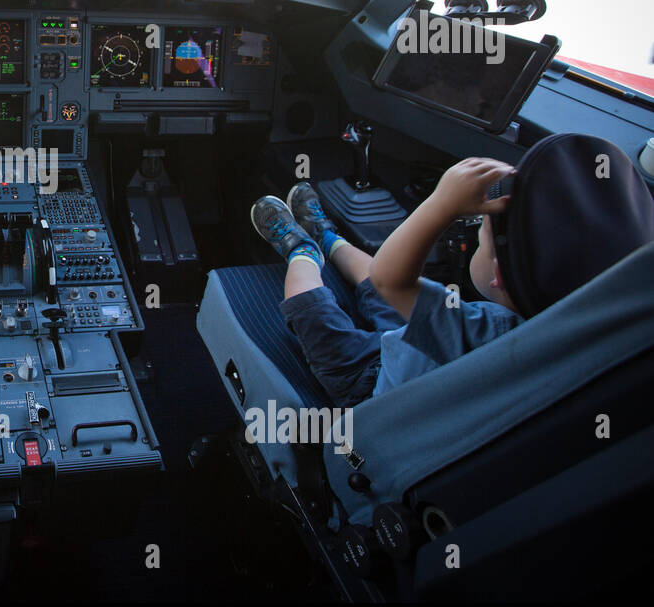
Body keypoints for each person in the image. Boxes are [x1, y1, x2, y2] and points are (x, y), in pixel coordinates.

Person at [250, 134, 654, 407]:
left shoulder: (484, 330)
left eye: (482, 234)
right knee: (374, 283)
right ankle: (326, 235)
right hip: (411, 345)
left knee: (309, 303)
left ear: (497, 277)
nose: (478, 235)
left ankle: (299, 248)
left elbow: (392, 279)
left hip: (367, 382)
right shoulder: (551, 336)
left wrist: (444, 203)